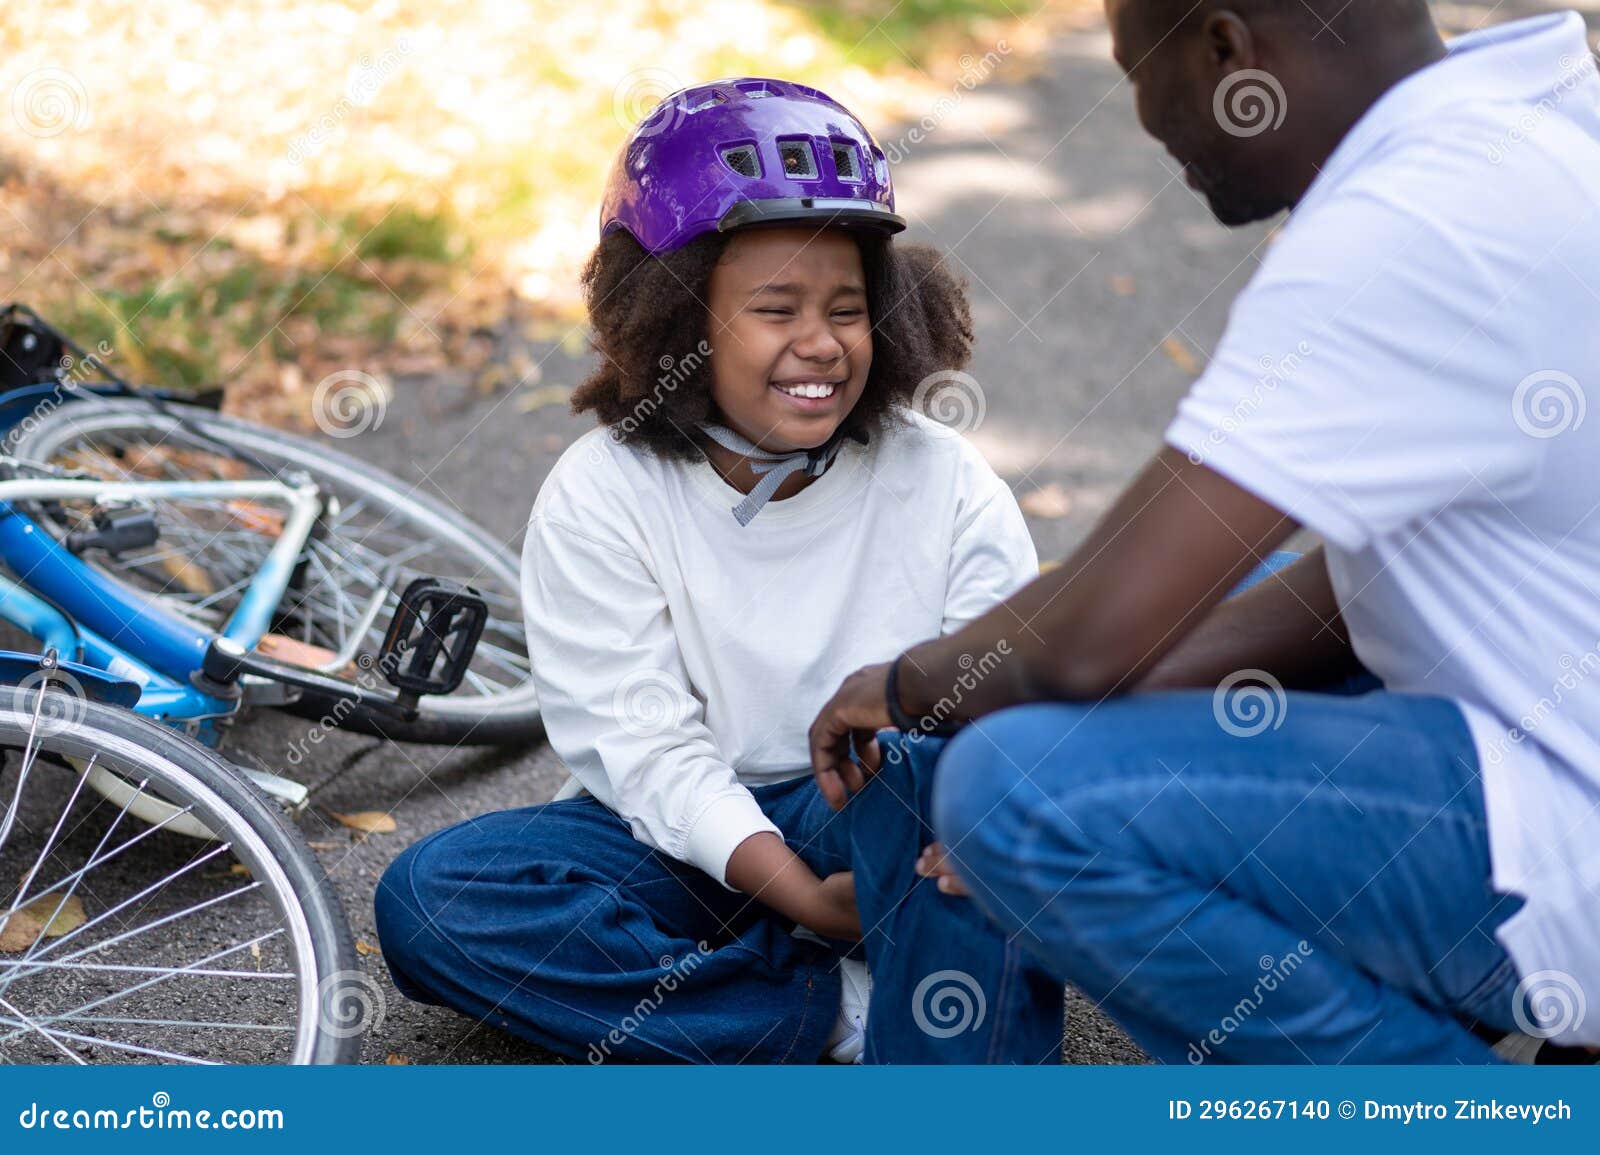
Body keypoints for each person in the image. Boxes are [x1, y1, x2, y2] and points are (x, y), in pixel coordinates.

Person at [808, 3, 1600, 1063]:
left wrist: (911, 686)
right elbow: (1360, 590)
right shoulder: (1542, 115)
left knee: (1020, 796)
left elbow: (1086, 641)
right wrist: (1103, 711)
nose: (1146, 124)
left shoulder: (1404, 226)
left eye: (1138, 72)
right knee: (1209, 619)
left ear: (1225, 50)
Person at [374, 78, 1065, 1063]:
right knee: (436, 901)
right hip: (688, 846)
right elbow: (643, 744)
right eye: (773, 309)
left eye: (847, 308)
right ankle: (827, 1010)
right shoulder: (600, 493)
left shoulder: (941, 476)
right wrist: (797, 898)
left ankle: (945, 1040)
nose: (820, 343)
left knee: (958, 797)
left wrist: (990, 817)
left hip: (887, 824)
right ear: (678, 320)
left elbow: (1001, 694)